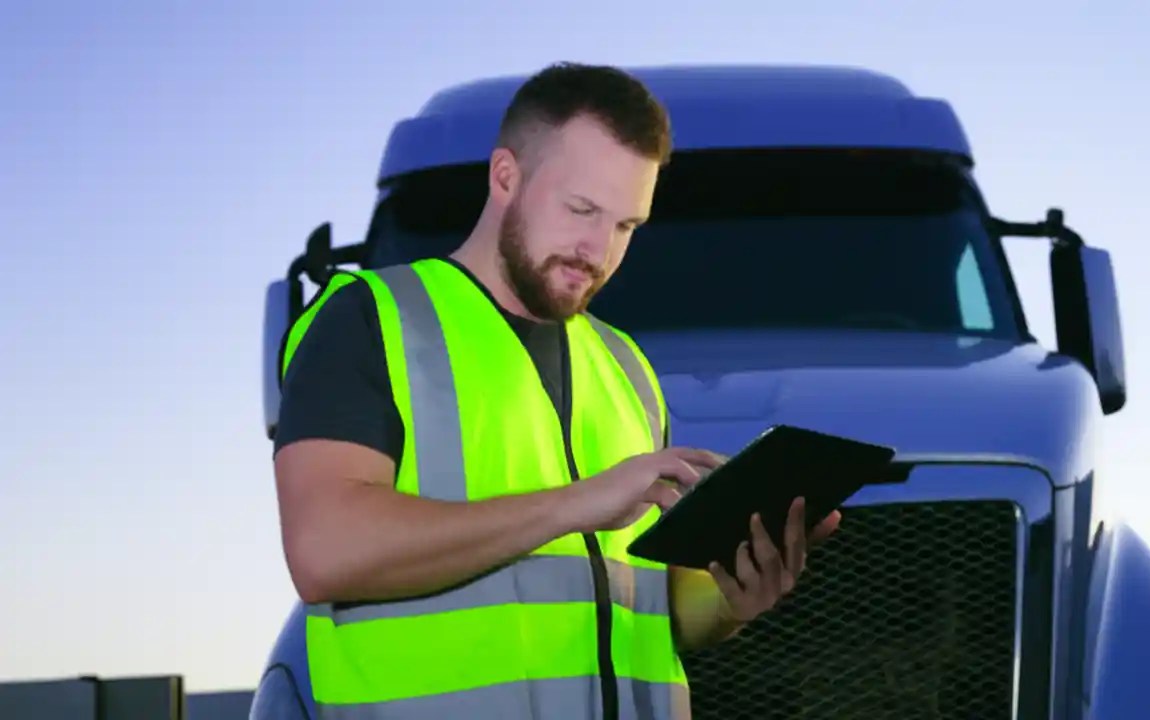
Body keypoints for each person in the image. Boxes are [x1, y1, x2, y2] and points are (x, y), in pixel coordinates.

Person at [271, 61, 841, 720]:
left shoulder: (626, 367)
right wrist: (577, 504)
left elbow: (648, 617)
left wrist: (731, 600)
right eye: (581, 209)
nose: (599, 248)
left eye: (627, 226)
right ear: (505, 176)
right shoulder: (370, 320)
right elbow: (324, 551)